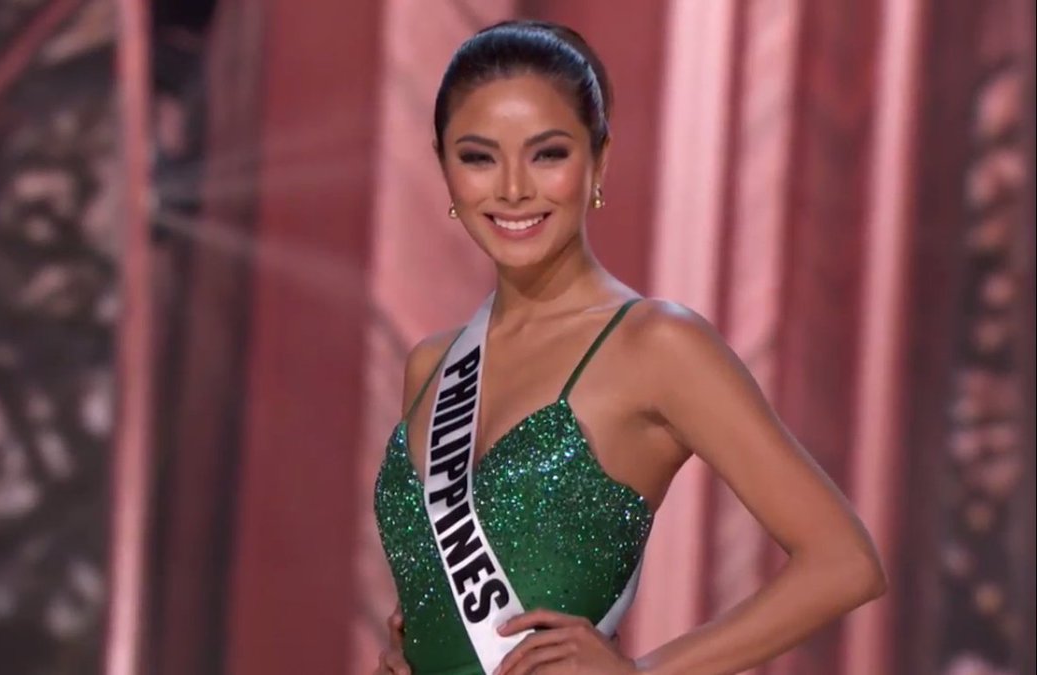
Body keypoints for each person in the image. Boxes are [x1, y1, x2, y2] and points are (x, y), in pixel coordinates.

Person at [372, 20, 886, 675]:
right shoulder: (431, 364)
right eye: (477, 157)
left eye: (547, 153)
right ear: (444, 167)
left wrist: (643, 673)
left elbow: (845, 562)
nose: (511, 189)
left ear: (598, 161)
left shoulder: (656, 345)